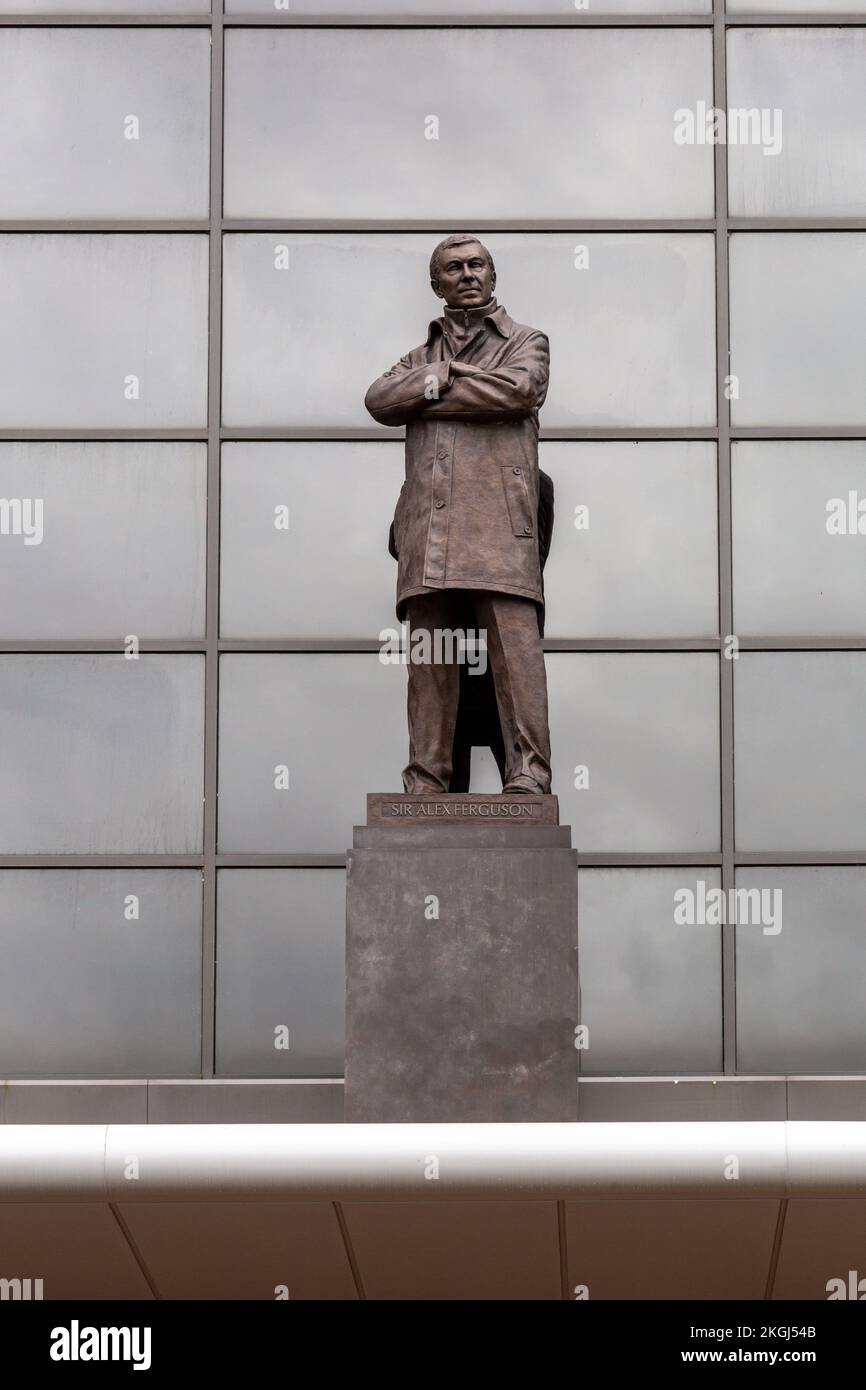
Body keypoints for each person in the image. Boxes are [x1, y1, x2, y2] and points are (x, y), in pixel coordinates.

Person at [365, 233, 552, 795]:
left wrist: (442, 383)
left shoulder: (526, 339)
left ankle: (529, 774)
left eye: (477, 265)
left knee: (516, 658)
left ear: (493, 277)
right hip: (430, 536)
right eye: (454, 267)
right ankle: (426, 777)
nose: (467, 273)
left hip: (499, 531)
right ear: (436, 283)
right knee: (429, 662)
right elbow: (379, 401)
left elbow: (519, 391)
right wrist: (437, 376)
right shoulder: (421, 356)